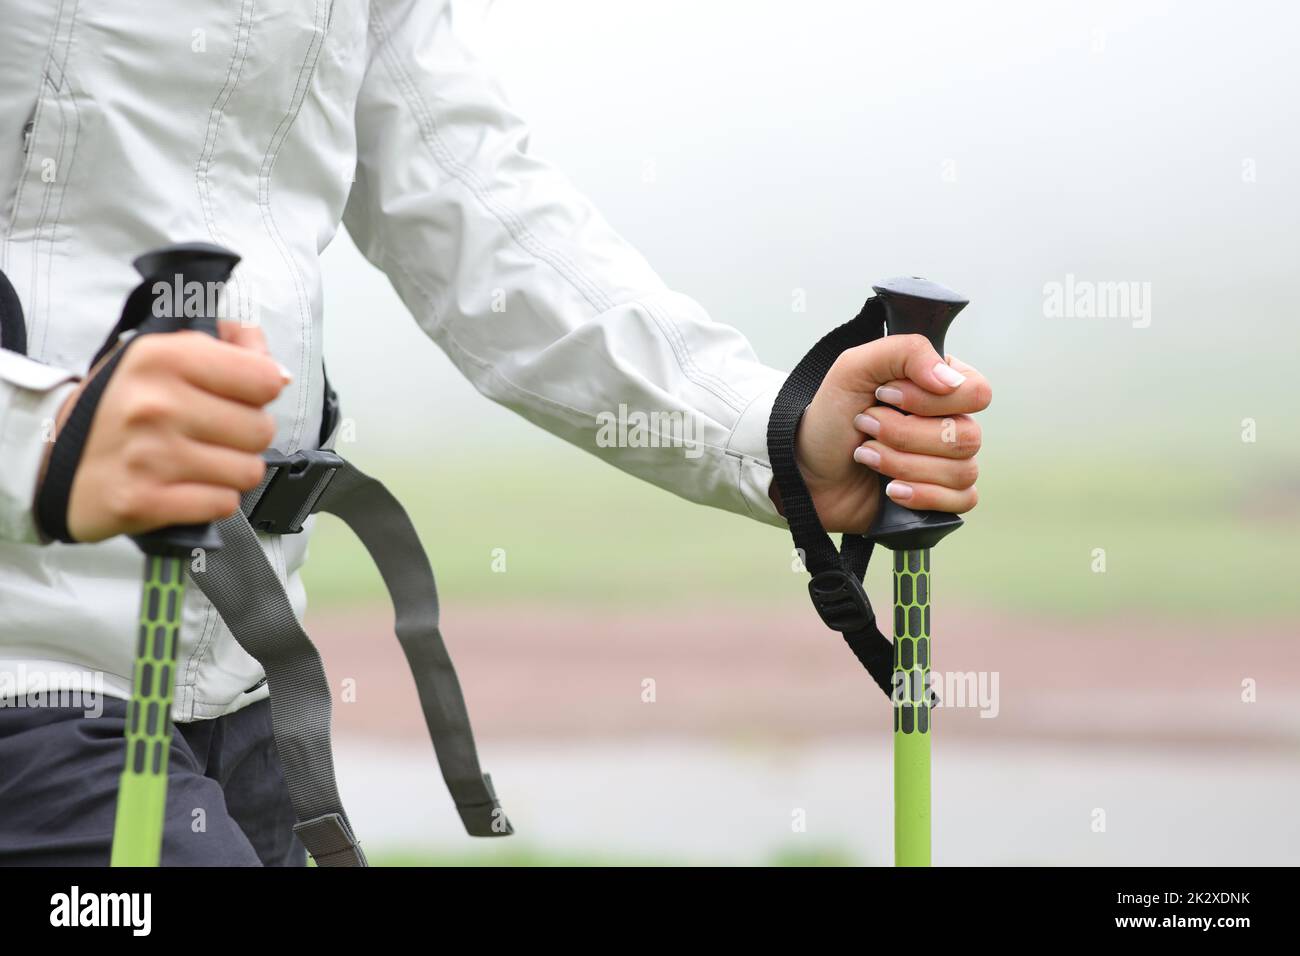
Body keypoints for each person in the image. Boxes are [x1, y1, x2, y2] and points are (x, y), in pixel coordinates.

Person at [0, 1, 990, 865]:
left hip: (237, 671)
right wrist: (41, 440)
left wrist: (766, 431)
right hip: (25, 663)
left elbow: (466, 193)